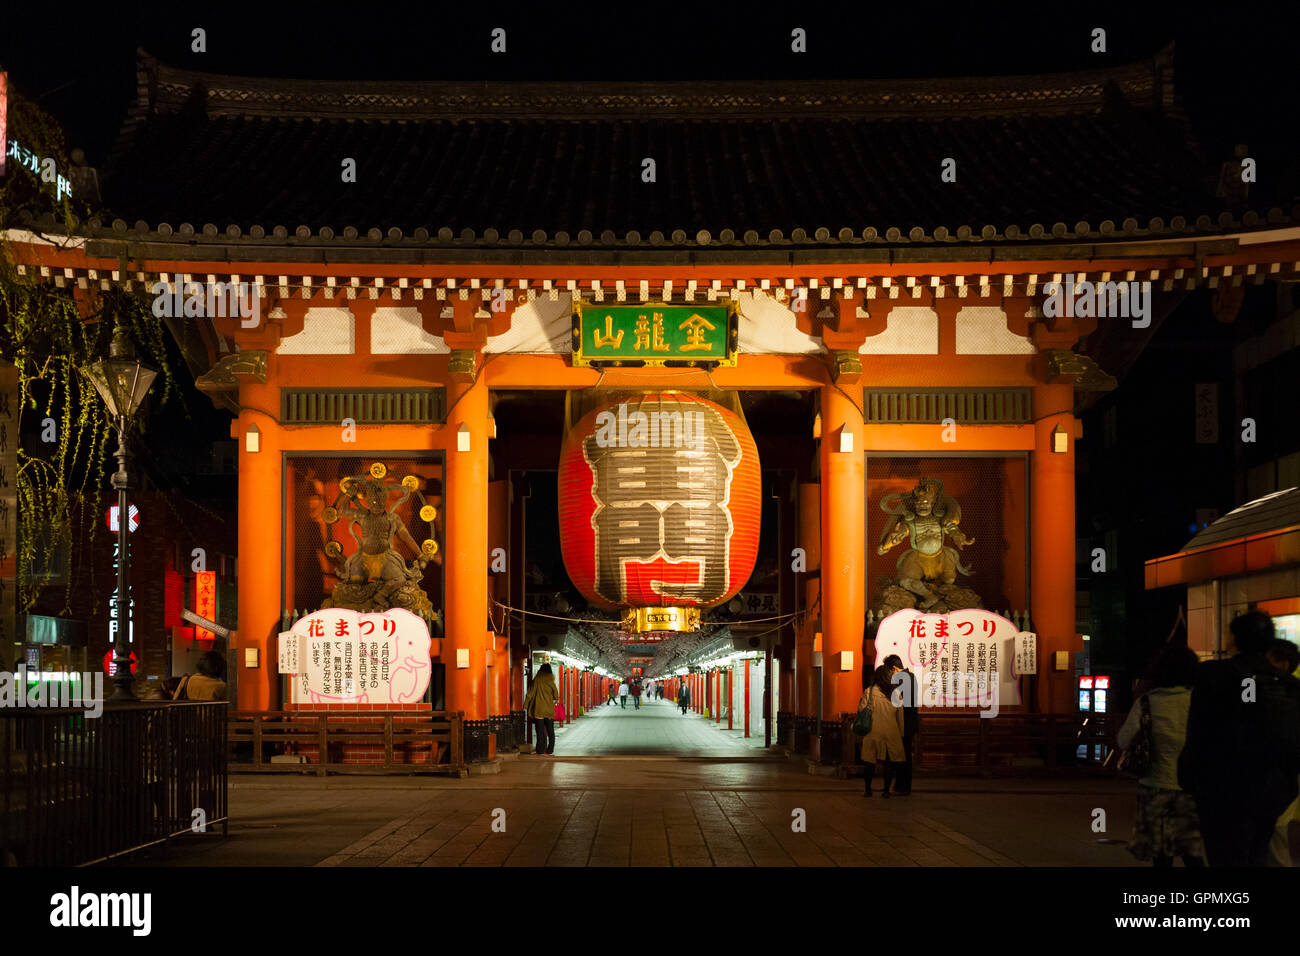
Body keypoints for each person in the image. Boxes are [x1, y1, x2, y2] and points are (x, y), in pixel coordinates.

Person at [1180, 611, 1300, 866]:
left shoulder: (1214, 676)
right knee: (1257, 852)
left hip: (1222, 787)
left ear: (1234, 638)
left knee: (1225, 855)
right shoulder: (1288, 685)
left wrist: (1190, 777)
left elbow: (1199, 731)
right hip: (1272, 788)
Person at [1116, 645, 1205, 867]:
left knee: (1161, 856)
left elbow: (1123, 740)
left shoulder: (1146, 703)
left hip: (1155, 786)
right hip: (1192, 788)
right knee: (1192, 853)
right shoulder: (1200, 702)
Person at [1266, 638, 1300, 865]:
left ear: (1283, 663)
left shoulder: (1279, 690)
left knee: (1277, 831)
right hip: (1285, 772)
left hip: (1281, 774)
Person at [860, 664, 905, 797]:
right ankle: (886, 790)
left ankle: (868, 789)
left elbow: (862, 710)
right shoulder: (896, 693)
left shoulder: (869, 691)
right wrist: (901, 733)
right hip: (891, 731)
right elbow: (900, 716)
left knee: (869, 762)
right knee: (889, 763)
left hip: (873, 731)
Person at [883, 654, 918, 795]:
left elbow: (898, 701)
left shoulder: (902, 679)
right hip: (910, 722)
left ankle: (901, 787)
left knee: (900, 755)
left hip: (903, 722)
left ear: (895, 668)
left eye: (889, 671)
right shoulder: (911, 676)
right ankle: (902, 786)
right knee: (905, 755)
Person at [523, 663, 559, 756]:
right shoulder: (551, 680)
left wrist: (525, 705)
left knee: (540, 731)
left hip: (539, 710)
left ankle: (540, 750)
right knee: (551, 731)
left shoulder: (537, 680)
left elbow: (530, 694)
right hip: (549, 710)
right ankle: (550, 750)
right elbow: (556, 695)